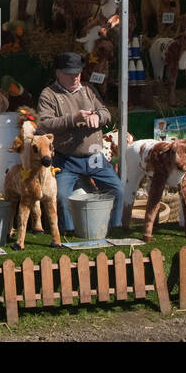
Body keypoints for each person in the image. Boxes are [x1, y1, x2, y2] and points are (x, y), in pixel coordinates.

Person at [36, 52, 128, 235]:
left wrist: (98, 116)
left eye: (78, 72)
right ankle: (68, 232)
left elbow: (106, 112)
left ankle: (114, 228)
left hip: (94, 156)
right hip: (66, 159)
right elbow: (44, 124)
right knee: (61, 197)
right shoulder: (49, 95)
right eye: (70, 73)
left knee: (117, 190)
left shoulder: (89, 89)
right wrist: (73, 118)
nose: (75, 76)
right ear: (58, 73)